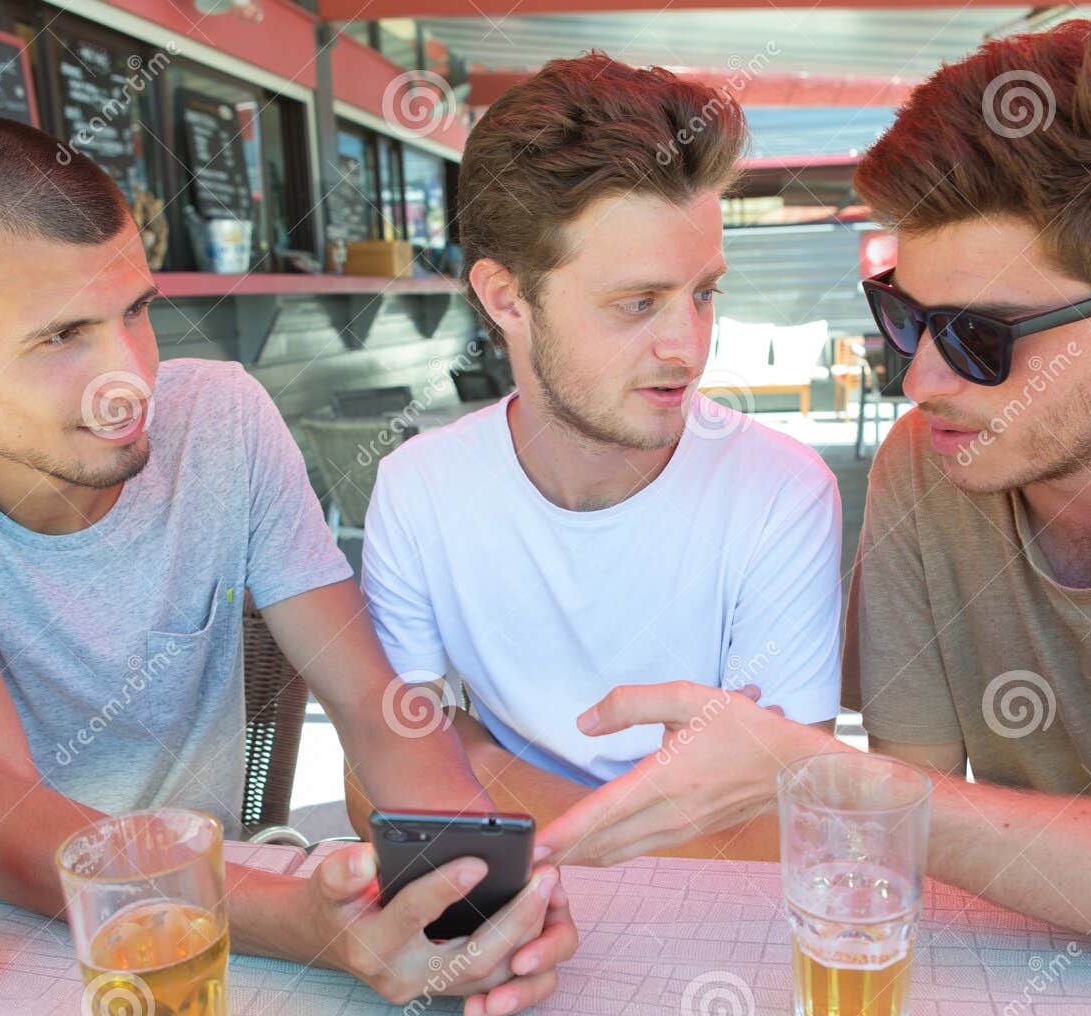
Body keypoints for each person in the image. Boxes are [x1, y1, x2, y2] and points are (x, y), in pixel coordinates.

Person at [538, 17, 1091, 988]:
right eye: (903, 316)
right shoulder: (926, 464)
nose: (919, 378)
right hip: (1027, 969)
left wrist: (812, 775)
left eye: (981, 336)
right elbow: (907, 829)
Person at [0, 115, 575, 1016]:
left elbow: (372, 701)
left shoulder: (221, 419)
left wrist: (477, 890)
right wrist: (310, 920)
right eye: (63, 334)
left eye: (137, 310)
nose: (130, 377)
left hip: (213, 948)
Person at [357, 53, 843, 860]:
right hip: (508, 923)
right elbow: (375, 783)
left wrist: (473, 762)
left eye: (704, 293)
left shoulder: (781, 493)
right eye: (638, 302)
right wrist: (667, 817)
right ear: (506, 297)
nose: (686, 348)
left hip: (707, 939)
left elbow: (781, 830)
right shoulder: (421, 488)